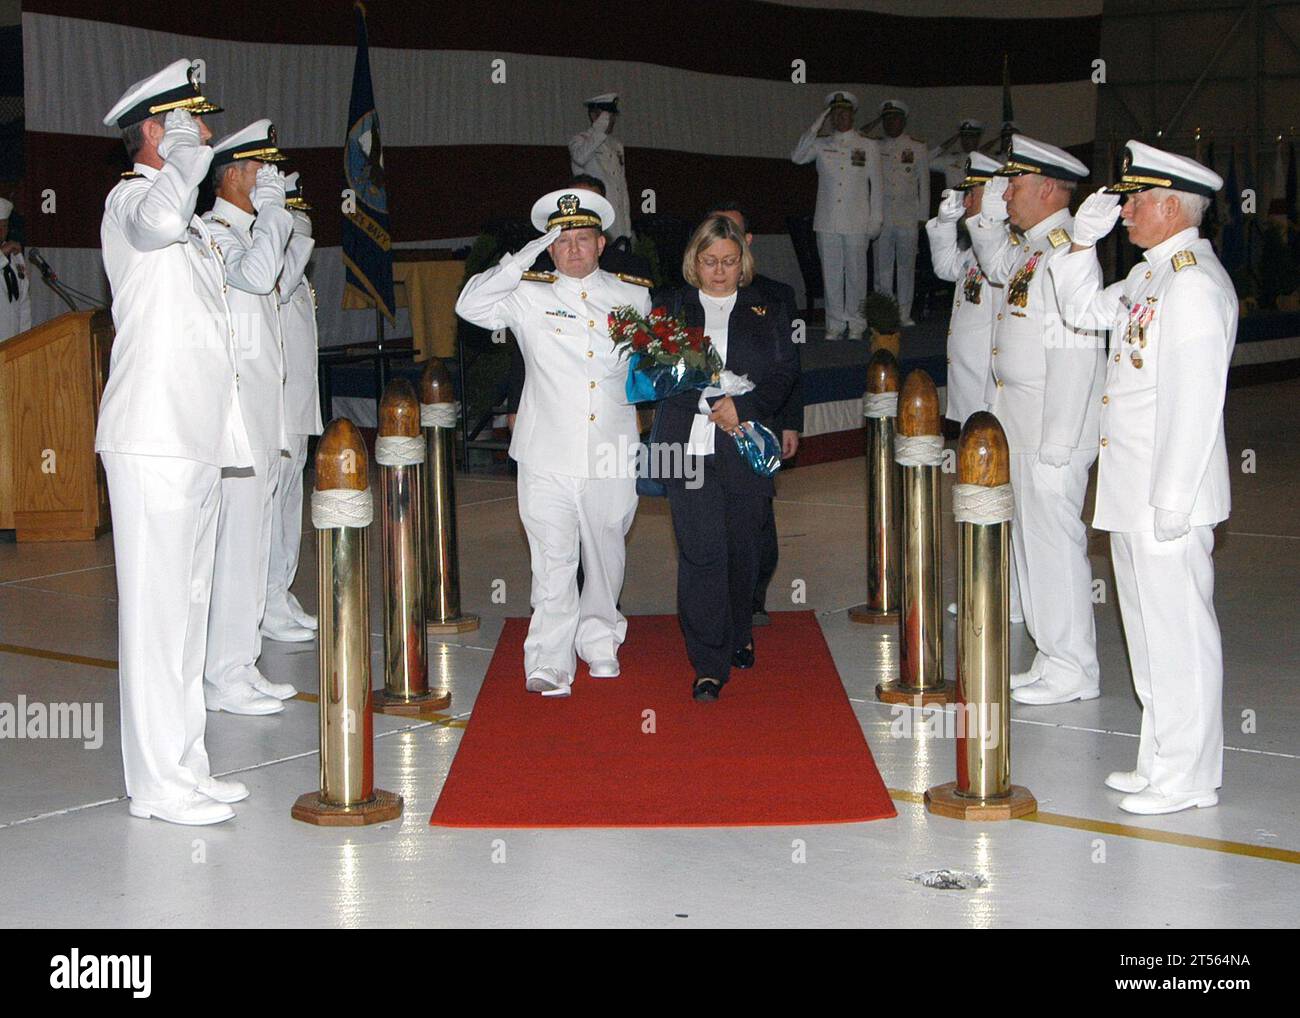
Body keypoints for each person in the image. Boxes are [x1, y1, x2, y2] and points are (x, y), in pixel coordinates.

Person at [1050, 142, 1234, 815]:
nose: (1124, 209)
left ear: (1169, 206)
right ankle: (1161, 757)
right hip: (1132, 491)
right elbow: (1080, 313)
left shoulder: (1192, 283)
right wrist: (1080, 244)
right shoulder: (1152, 276)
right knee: (1150, 633)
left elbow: (1195, 401)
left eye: (1133, 200)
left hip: (1166, 496)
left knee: (1179, 632)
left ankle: (1189, 775)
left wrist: (1174, 501)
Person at [98, 58, 250, 825]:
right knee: (158, 615)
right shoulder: (132, 202)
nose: (209, 135)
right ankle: (156, 784)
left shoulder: (185, 219)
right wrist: (183, 162)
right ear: (155, 130)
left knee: (188, 608)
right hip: (150, 437)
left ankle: (186, 764)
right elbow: (158, 218)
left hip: (190, 437)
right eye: (192, 123)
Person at [456, 189, 651, 697]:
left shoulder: (633, 296)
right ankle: (548, 658)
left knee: (607, 553)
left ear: (601, 244)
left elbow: (647, 366)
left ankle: (601, 639)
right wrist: (523, 255)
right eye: (561, 241)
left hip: (610, 448)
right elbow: (469, 303)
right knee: (553, 559)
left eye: (582, 239)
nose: (572, 250)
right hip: (546, 451)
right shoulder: (527, 292)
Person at [968, 135, 1103, 706]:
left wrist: (1059, 440)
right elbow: (993, 265)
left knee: (1054, 546)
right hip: (1021, 421)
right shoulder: (1033, 248)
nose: (1007, 193)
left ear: (1048, 187)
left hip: (1052, 428)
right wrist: (987, 215)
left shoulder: (1067, 250)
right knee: (1031, 547)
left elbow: (1075, 351)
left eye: (1016, 184)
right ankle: (1053, 655)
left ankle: (1075, 667)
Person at [653, 216, 798, 701]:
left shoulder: (767, 308)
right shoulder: (671, 307)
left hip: (745, 445)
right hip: (685, 449)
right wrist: (706, 402)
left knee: (742, 551)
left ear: (743, 262)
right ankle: (708, 663)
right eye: (710, 261)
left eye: (729, 262)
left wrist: (745, 407)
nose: (719, 272)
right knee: (701, 554)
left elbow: (785, 375)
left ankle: (738, 632)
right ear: (695, 261)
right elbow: (652, 375)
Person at [202, 120, 298, 715]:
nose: (270, 179)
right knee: (236, 544)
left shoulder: (251, 230)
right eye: (260, 170)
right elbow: (258, 276)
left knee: (255, 539)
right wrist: (275, 216)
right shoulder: (216, 232)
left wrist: (272, 219)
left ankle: (239, 661)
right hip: (236, 415)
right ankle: (223, 674)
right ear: (233, 175)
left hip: (262, 411)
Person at [928, 154, 1025, 626]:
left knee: (999, 496)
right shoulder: (977, 248)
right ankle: (986, 584)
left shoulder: (1008, 249)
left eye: (972, 193)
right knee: (977, 494)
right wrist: (945, 225)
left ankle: (1007, 594)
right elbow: (947, 268)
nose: (964, 199)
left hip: (992, 394)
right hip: (970, 393)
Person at [702, 200, 803, 627]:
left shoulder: (776, 297)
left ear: (747, 244)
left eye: (735, 235)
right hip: (704, 433)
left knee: (757, 523)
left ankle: (752, 598)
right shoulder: (687, 299)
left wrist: (790, 422)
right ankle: (716, 612)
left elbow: (792, 369)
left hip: (760, 424)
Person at [263, 171, 320, 641]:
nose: (303, 221)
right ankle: (265, 601)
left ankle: (279, 592)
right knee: (270, 506)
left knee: (287, 502)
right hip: (275, 407)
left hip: (296, 405)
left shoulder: (292, 269)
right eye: (294, 211)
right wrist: (284, 221)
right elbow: (279, 284)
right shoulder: (272, 267)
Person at [791, 91, 882, 340]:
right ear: (830, 117)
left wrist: (876, 220)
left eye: (845, 112)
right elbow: (797, 157)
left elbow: (878, 187)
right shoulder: (821, 144)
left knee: (856, 275)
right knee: (831, 275)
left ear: (853, 114)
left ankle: (856, 324)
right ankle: (834, 324)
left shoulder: (868, 145)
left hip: (857, 221)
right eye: (836, 113)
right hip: (827, 221)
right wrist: (817, 123)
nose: (841, 117)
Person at [874, 99, 930, 327]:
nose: (891, 123)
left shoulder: (917, 147)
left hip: (908, 216)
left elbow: (923, 184)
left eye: (896, 118)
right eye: (886, 119)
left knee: (906, 266)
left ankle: (904, 313)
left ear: (903, 121)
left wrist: (922, 217)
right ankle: (884, 312)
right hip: (883, 215)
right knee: (882, 266)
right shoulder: (875, 146)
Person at [569, 93, 632, 241]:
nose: (612, 121)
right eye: (608, 116)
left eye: (613, 117)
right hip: (596, 215)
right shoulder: (580, 140)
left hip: (619, 222)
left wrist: (627, 227)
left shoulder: (616, 145)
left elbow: (621, 187)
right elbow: (580, 157)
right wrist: (599, 129)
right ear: (594, 116)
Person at [0, 198, 30, 342]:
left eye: (4, 225)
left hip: (12, 339)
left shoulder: (15, 256)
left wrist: (24, 339)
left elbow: (23, 303)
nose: (1, 230)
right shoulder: (7, 251)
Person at [931, 119, 985, 190]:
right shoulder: (950, 160)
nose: (966, 140)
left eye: (971, 136)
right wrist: (943, 147)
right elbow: (925, 162)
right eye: (964, 136)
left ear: (978, 138)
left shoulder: (987, 162)